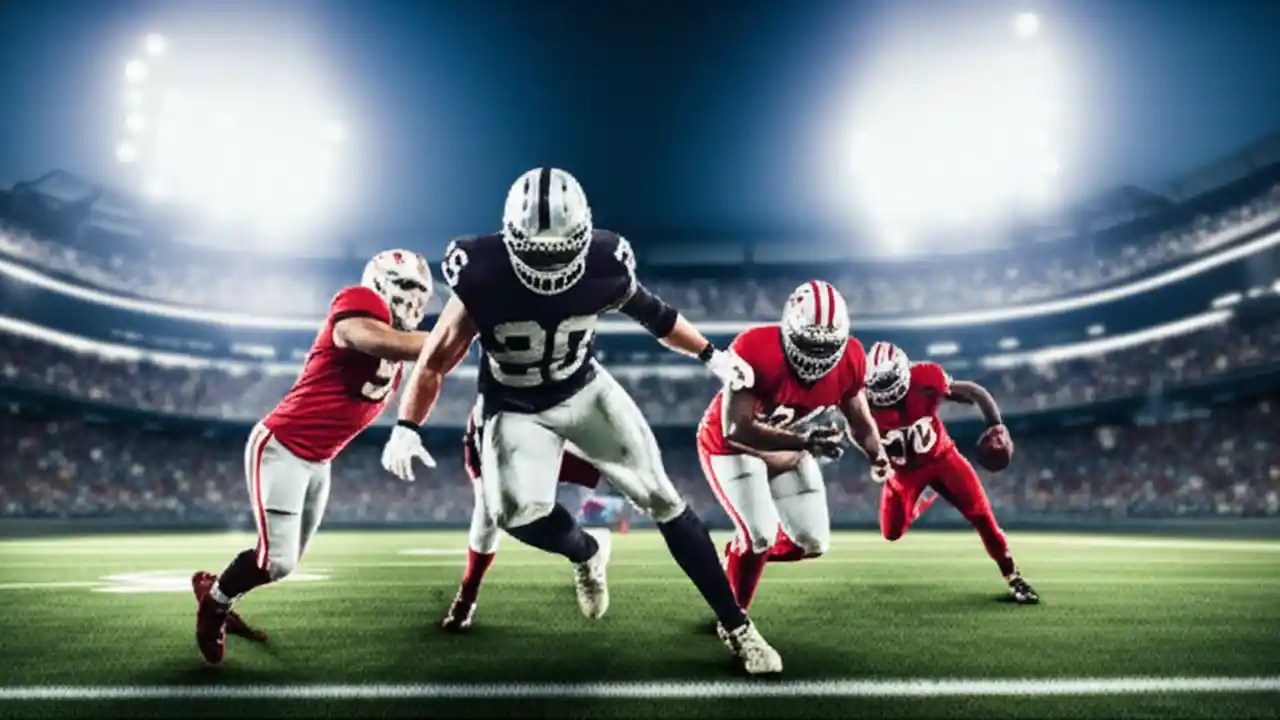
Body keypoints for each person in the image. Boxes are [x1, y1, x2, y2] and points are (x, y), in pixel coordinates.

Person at [381, 167, 782, 673]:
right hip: (515, 405)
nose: (549, 268)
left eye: (561, 251)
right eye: (536, 253)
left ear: (584, 236)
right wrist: (407, 425)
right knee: (514, 514)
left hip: (585, 389)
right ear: (511, 240)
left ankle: (737, 626)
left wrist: (711, 355)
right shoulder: (481, 271)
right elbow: (436, 359)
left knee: (663, 497)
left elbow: (657, 316)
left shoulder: (604, 260)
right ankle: (588, 551)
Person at [192, 250, 435, 665]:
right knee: (277, 561)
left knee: (283, 563)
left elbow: (427, 366)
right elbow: (380, 340)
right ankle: (214, 606)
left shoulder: (400, 345)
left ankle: (222, 589)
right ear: (381, 283)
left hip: (320, 461)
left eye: (423, 294)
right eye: (408, 287)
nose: (415, 301)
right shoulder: (359, 304)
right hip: (282, 447)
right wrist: (448, 338)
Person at [696, 280, 894, 611]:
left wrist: (878, 455)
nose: (816, 357)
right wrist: (805, 440)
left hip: (788, 449)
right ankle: (734, 616)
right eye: (808, 344)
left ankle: (736, 553)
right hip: (731, 447)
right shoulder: (754, 347)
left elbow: (859, 420)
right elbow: (736, 428)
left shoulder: (851, 360)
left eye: (826, 346)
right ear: (788, 329)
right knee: (761, 537)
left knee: (813, 543)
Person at [864, 341, 1039, 604]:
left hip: (942, 457)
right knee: (891, 533)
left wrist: (996, 426)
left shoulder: (926, 377)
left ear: (903, 371)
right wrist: (877, 459)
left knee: (982, 515)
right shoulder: (860, 400)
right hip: (904, 472)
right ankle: (920, 501)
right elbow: (858, 433)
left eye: (888, 380)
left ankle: (1013, 577)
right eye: (877, 383)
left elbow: (975, 392)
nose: (883, 390)